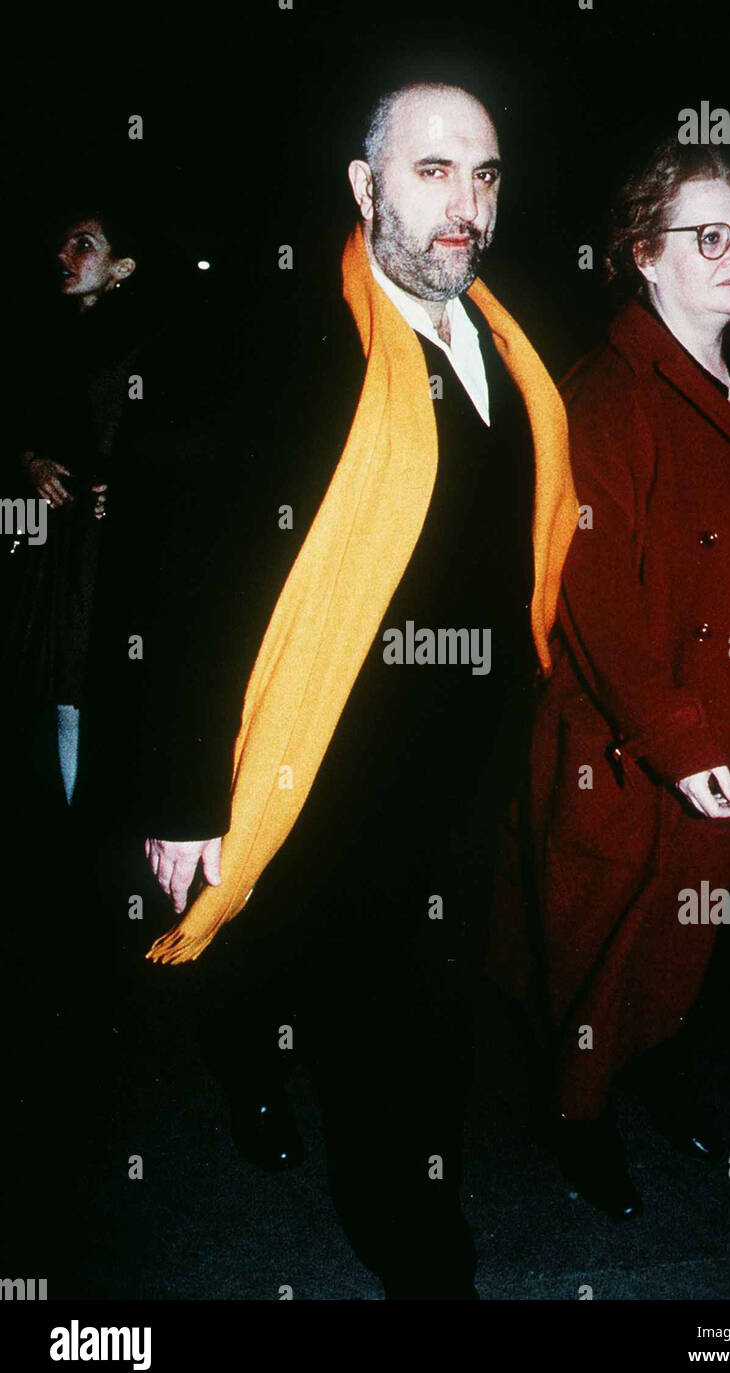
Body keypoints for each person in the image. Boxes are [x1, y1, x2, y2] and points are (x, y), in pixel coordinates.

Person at [92, 81, 578, 1299]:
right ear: (365, 188)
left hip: (454, 777)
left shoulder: (517, 350)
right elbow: (170, 580)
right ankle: (255, 1066)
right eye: (431, 172)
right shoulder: (277, 336)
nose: (465, 206)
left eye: (486, 174)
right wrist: (185, 791)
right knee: (270, 954)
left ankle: (417, 1233)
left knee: (419, 1018)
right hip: (311, 757)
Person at [528, 139, 730, 1217]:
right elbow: (591, 592)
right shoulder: (606, 393)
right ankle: (575, 1117)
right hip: (637, 731)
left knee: (685, 927)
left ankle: (653, 1063)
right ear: (644, 256)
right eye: (708, 235)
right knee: (600, 934)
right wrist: (677, 734)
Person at [2, 210, 140, 825]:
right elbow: (22, 423)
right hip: (45, 541)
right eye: (64, 243)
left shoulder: (145, 344)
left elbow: (166, 440)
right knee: (52, 685)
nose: (64, 255)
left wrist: (132, 481)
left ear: (121, 269)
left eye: (84, 246)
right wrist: (29, 460)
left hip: (107, 546)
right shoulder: (46, 338)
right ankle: (68, 823)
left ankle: (101, 827)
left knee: (91, 684)